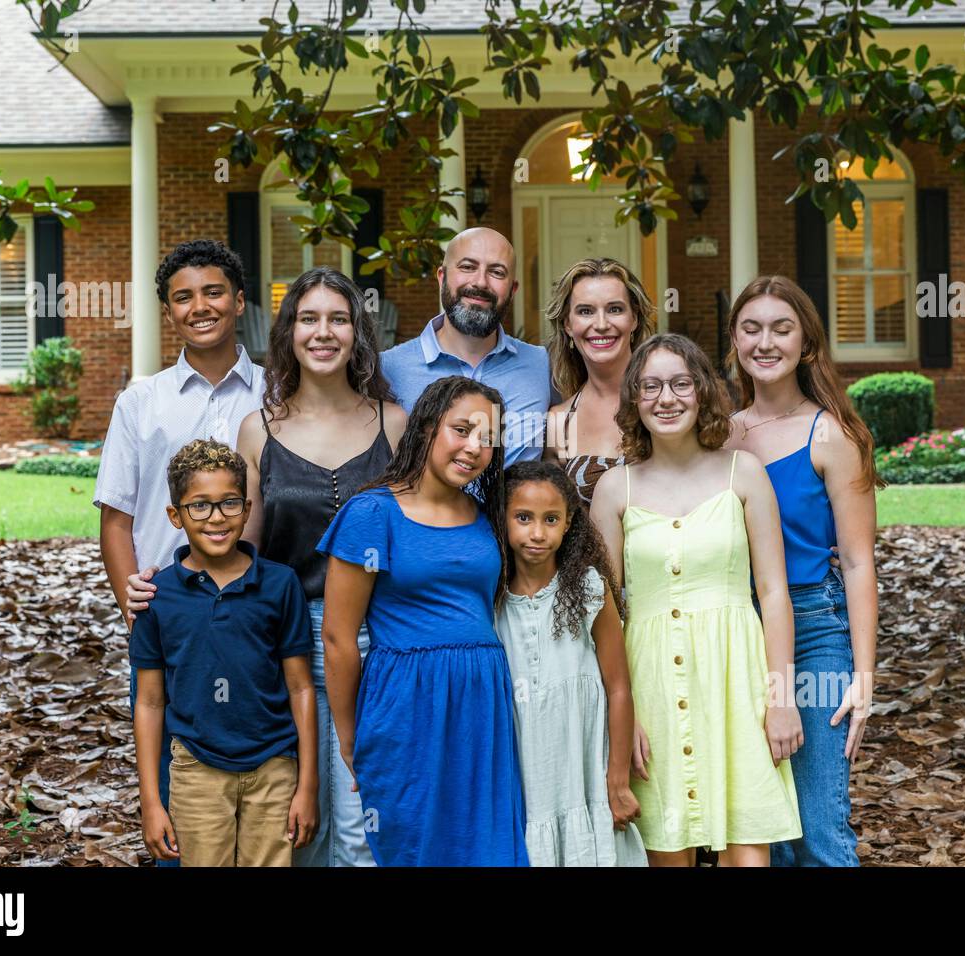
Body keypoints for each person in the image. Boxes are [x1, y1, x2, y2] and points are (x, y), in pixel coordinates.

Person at [589, 333, 802, 866]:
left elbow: (773, 592)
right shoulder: (616, 489)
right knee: (668, 847)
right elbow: (607, 611)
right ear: (634, 399)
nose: (667, 398)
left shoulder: (743, 473)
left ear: (703, 391)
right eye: (651, 386)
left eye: (681, 383)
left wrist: (780, 697)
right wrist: (623, 714)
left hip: (736, 681)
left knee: (746, 851)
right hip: (651, 682)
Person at [95, 238, 266, 864]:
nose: (201, 306)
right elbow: (116, 518)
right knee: (173, 750)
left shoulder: (276, 396)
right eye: (183, 297)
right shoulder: (142, 402)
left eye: (214, 291)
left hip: (257, 610)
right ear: (169, 311)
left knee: (260, 755)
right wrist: (131, 604)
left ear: (240, 300)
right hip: (171, 613)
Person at [316, 375, 529, 866]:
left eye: (488, 439)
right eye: (462, 430)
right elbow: (338, 638)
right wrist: (350, 736)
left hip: (482, 706)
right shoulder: (371, 514)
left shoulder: (487, 515)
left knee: (489, 846)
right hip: (407, 702)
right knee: (414, 844)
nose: (474, 448)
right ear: (428, 428)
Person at [238, 266, 404, 867]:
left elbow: (412, 536)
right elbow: (244, 552)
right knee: (298, 824)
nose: (324, 332)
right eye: (309, 319)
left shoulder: (394, 423)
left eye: (339, 318)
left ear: (358, 333)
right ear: (288, 334)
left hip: (379, 638)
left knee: (364, 820)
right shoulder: (259, 431)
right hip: (289, 640)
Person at [724, 275, 880, 867]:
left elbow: (860, 561)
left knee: (817, 825)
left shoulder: (832, 435)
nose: (766, 342)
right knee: (765, 830)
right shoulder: (720, 434)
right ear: (735, 340)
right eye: (752, 328)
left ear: (806, 343)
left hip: (814, 628)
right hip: (738, 627)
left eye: (781, 329)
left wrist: (863, 676)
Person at [130, 439, 318, 867]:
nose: (217, 517)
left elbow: (300, 687)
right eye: (200, 506)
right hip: (197, 770)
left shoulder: (280, 584)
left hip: (274, 766)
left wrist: (307, 785)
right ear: (175, 515)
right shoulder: (156, 598)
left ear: (248, 509)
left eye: (229, 503)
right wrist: (151, 801)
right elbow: (149, 700)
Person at [495, 460, 648, 866]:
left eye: (551, 519)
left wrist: (617, 779)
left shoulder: (588, 588)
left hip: (583, 775)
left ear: (568, 525)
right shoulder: (490, 603)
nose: (537, 532)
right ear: (503, 520)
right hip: (527, 775)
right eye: (523, 518)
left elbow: (618, 687)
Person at [381, 227, 554, 466]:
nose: (480, 282)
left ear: (513, 290)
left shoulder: (542, 364)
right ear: (442, 277)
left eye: (497, 272)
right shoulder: (388, 369)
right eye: (467, 267)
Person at [543, 257, 656, 506]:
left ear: (634, 319)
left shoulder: (668, 402)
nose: (602, 324)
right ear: (568, 325)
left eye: (615, 309)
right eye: (585, 311)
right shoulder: (557, 423)